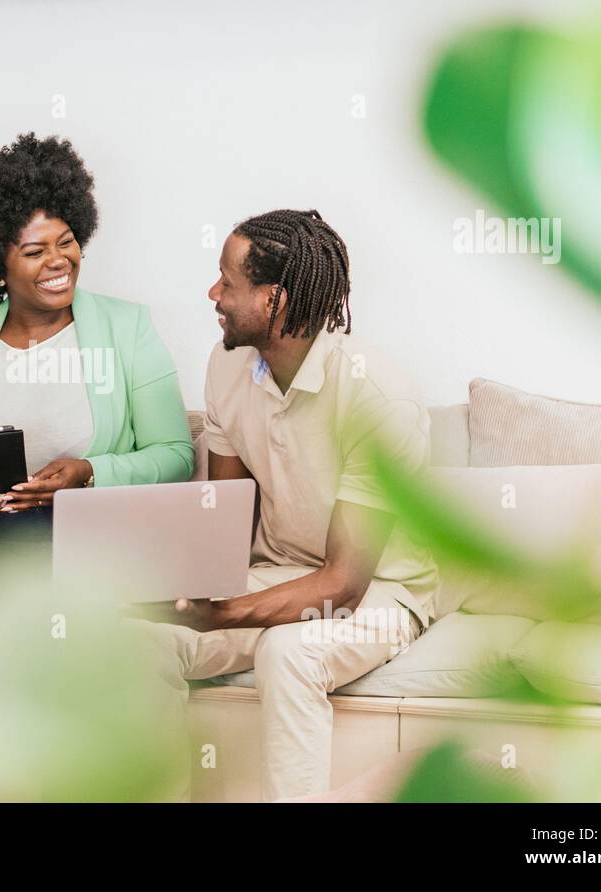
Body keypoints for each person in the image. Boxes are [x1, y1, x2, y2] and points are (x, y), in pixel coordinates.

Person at [0, 132, 194, 802]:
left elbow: (175, 456)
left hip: (87, 541)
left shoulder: (126, 329)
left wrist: (91, 471)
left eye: (65, 241)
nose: (59, 261)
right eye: (35, 251)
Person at [134, 208, 438, 801]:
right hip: (277, 572)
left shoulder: (377, 395)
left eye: (228, 282)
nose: (213, 293)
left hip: (383, 590)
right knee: (139, 641)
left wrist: (220, 615)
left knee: (290, 650)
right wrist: (170, 588)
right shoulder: (226, 365)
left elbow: (345, 581)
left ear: (275, 299)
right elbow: (221, 521)